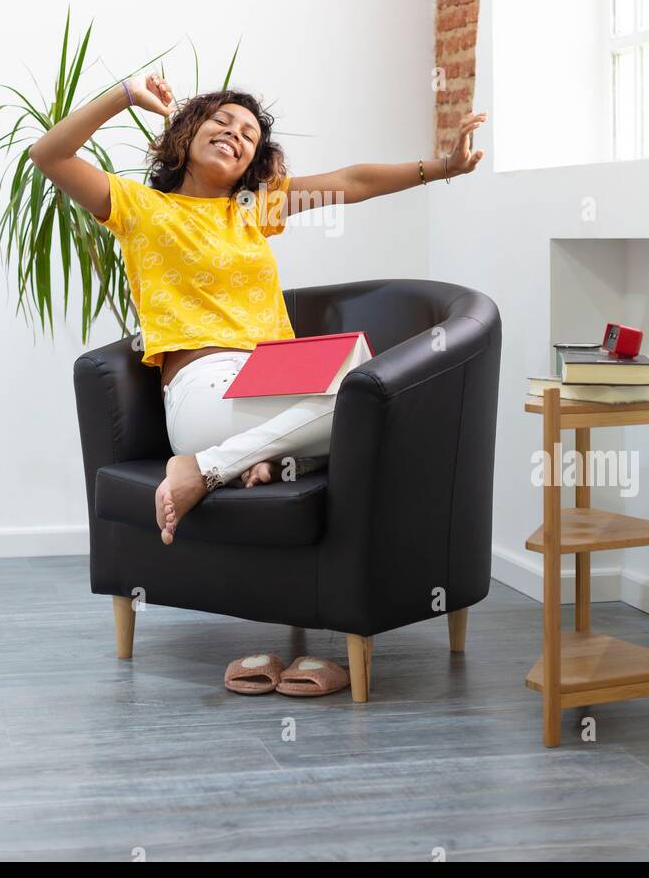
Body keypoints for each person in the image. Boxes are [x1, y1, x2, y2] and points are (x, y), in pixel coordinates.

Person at [29, 74, 485, 545]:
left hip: (275, 378)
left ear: (252, 164)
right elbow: (49, 155)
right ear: (186, 134)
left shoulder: (253, 208)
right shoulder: (138, 207)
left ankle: (238, 462)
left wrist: (445, 166)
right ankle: (210, 466)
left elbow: (352, 181)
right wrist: (126, 95)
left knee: (381, 395)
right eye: (222, 122)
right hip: (204, 391)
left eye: (248, 135)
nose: (235, 134)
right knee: (370, 402)